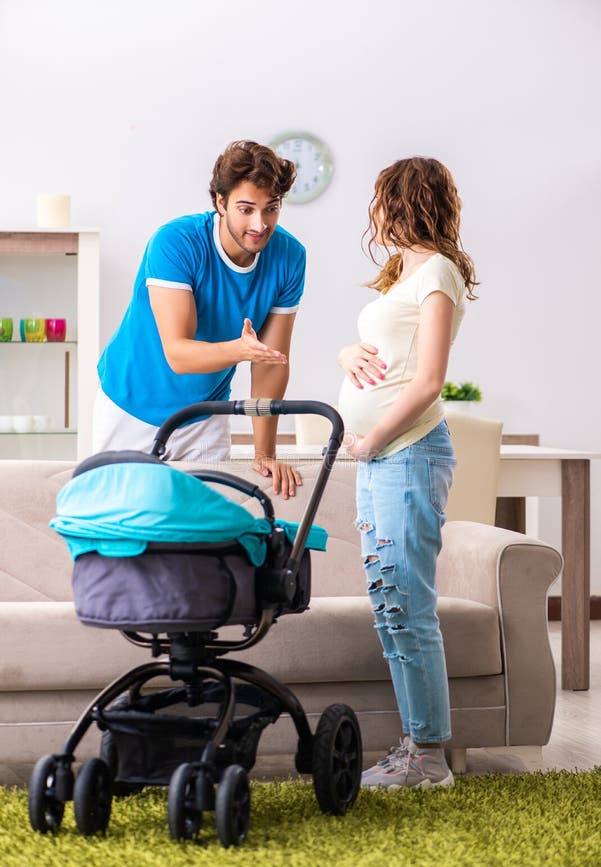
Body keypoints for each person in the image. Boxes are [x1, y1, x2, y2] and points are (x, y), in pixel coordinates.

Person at [337, 156, 478, 789]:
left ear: (401, 200)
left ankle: (429, 757)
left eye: (378, 199)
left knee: (408, 604)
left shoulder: (439, 271)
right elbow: (385, 354)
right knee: (389, 602)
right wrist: (345, 352)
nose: (373, 212)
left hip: (409, 451)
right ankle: (414, 746)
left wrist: (371, 439)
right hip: (382, 453)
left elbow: (428, 381)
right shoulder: (405, 272)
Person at [93, 140, 305, 499]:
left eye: (271, 209)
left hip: (204, 413)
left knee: (202, 530)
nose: (260, 224)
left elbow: (271, 363)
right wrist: (241, 350)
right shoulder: (176, 243)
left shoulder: (289, 256)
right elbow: (179, 354)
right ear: (220, 202)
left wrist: (264, 453)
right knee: (122, 521)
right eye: (246, 209)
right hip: (131, 403)